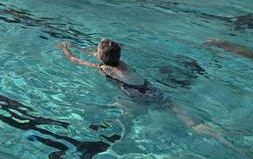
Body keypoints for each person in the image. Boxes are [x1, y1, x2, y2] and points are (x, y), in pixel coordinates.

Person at [61, 39, 234, 145]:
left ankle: (122, 134)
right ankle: (222, 137)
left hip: (137, 96)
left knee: (128, 115)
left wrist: (65, 48)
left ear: (100, 55)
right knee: (188, 121)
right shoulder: (122, 65)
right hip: (152, 90)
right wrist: (78, 46)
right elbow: (99, 53)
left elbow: (75, 60)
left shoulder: (105, 68)